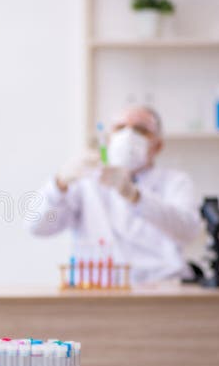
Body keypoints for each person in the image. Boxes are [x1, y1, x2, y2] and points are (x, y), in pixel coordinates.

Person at [24, 106, 200, 284]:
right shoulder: (86, 182)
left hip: (161, 286)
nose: (128, 136)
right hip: (96, 289)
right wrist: (59, 184)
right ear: (108, 139)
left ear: (158, 145)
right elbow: (37, 226)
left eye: (140, 130)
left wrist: (136, 196)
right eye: (120, 128)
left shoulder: (175, 182)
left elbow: (189, 231)